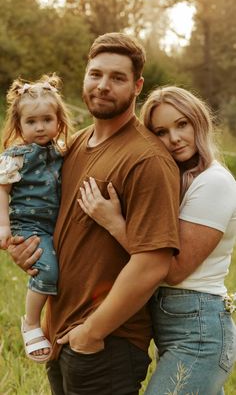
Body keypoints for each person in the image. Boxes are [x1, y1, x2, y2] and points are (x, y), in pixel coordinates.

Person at [7, 33, 180, 395]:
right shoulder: (71, 146)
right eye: (96, 74)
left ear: (137, 86)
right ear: (84, 76)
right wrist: (28, 251)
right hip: (61, 334)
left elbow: (153, 262)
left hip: (106, 343)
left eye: (117, 78)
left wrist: (92, 333)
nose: (103, 85)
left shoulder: (146, 158)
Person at [78, 86, 236, 395]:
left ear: (198, 123)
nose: (174, 138)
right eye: (161, 132)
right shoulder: (177, 180)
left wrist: (114, 223)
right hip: (178, 328)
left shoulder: (214, 182)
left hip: (199, 332)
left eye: (182, 124)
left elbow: (174, 269)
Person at [0, 74, 72, 363]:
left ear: (59, 120)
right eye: (31, 122)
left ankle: (56, 322)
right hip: (28, 224)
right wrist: (3, 225)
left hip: (54, 223)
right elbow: (2, 190)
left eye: (46, 119)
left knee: (62, 271)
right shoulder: (15, 156)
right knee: (47, 271)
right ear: (19, 125)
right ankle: (31, 321)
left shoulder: (60, 152)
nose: (40, 127)